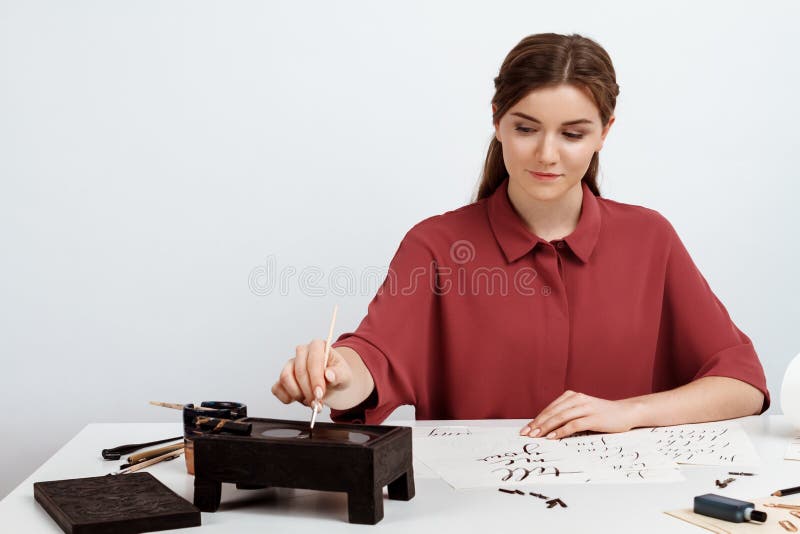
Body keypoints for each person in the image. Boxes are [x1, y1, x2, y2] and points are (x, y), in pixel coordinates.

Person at [270, 32, 769, 440]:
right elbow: (374, 360)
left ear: (604, 133)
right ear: (497, 122)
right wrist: (332, 374)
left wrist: (628, 412)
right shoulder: (435, 244)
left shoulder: (650, 238)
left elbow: (742, 383)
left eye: (573, 134)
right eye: (527, 128)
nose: (547, 154)